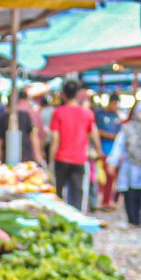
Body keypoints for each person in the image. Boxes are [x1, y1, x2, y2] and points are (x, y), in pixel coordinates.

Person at [108, 101, 141, 226]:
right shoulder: (127, 129)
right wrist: (113, 161)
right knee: (132, 193)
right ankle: (133, 218)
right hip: (131, 166)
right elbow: (119, 145)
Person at [49, 79, 96, 212]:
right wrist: (98, 151)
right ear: (77, 94)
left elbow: (55, 139)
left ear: (64, 94)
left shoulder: (58, 112)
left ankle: (59, 218)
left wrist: (51, 160)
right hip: (79, 159)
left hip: (61, 159)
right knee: (78, 197)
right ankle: (77, 220)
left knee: (59, 195)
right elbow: (93, 134)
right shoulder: (87, 113)